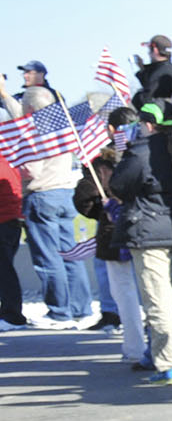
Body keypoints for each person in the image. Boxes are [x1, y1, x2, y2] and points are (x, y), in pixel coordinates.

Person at [112, 99, 172, 384]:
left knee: (158, 301)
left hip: (149, 234)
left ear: (148, 125)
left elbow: (118, 186)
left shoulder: (140, 152)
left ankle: (168, 366)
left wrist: (122, 156)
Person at [15, 85, 95, 328]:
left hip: (42, 194)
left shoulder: (34, 131)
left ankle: (59, 311)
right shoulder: (61, 127)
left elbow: (31, 170)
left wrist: (16, 165)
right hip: (65, 193)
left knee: (48, 258)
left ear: (30, 108)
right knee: (71, 255)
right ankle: (81, 308)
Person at [73, 139, 147, 366]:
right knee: (152, 292)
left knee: (125, 293)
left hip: (117, 234)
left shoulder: (104, 167)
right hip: (147, 229)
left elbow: (83, 199)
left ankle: (135, 348)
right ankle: (165, 350)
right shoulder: (146, 155)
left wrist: (105, 210)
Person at [0, 147, 25, 328]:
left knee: (4, 269)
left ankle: (12, 314)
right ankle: (10, 311)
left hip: (4, 220)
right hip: (10, 219)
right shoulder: (8, 161)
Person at [133, 35, 172, 106]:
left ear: (155, 50)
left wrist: (138, 97)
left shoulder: (159, 73)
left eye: (149, 50)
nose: (148, 53)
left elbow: (146, 99)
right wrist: (142, 70)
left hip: (160, 112)